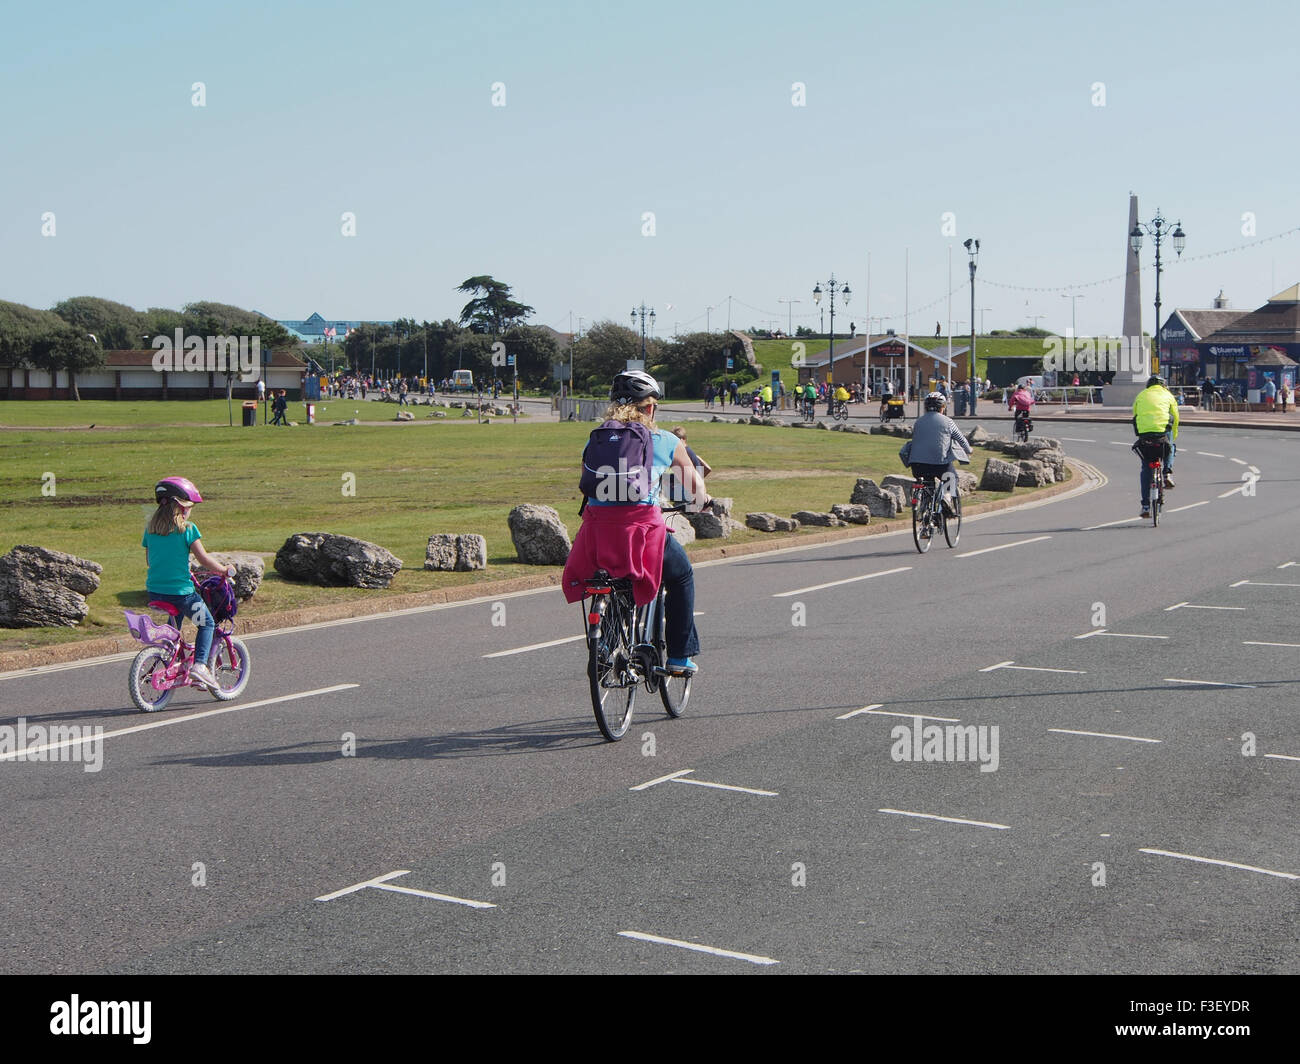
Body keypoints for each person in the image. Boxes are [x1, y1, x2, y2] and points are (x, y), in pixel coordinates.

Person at [561, 372, 711, 675]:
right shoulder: (667, 440)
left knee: (612, 581)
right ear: (651, 407)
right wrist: (704, 504)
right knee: (681, 575)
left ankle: (605, 645)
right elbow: (696, 490)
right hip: (642, 533)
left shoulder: (596, 439)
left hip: (596, 533)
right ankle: (680, 656)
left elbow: (586, 485)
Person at [143, 477, 235, 691]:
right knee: (207, 623)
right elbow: (203, 559)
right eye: (190, 507)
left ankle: (171, 653)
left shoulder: (150, 529)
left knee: (175, 622)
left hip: (155, 592)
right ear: (182, 507)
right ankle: (200, 667)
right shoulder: (188, 529)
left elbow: (150, 560)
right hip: (181, 593)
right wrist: (224, 569)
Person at [898, 393, 971, 518]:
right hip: (940, 463)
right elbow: (961, 439)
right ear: (942, 407)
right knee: (951, 478)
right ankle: (947, 498)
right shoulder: (948, 422)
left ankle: (925, 514)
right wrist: (969, 450)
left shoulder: (918, 422)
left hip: (917, 464)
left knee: (927, 483)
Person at [1132, 374, 1179, 518]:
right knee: (1170, 445)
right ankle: (1167, 472)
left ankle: (1145, 506)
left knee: (1146, 467)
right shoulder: (1168, 395)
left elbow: (1135, 416)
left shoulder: (1140, 395)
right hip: (1161, 436)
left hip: (1145, 437)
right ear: (1163, 385)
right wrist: (1174, 436)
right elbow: (1175, 417)